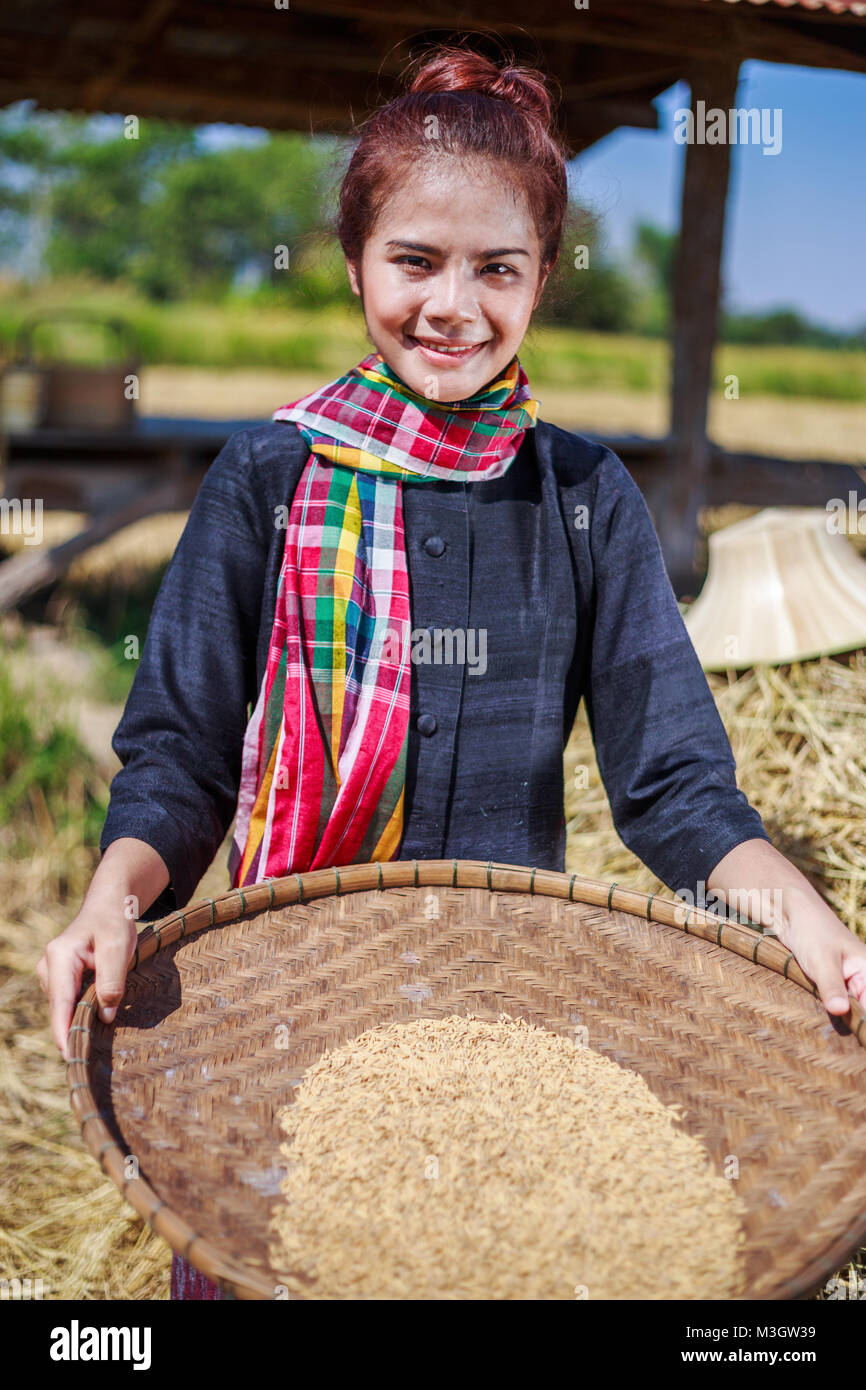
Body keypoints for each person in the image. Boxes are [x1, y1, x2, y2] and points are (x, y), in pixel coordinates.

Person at [37, 42, 866, 1301]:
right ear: (356, 261)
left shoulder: (585, 498)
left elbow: (673, 788)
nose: (453, 307)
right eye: (413, 261)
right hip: (290, 995)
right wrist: (113, 898)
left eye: (498, 269)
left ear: (543, 281)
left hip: (507, 1032)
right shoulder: (269, 480)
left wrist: (798, 913)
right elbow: (181, 757)